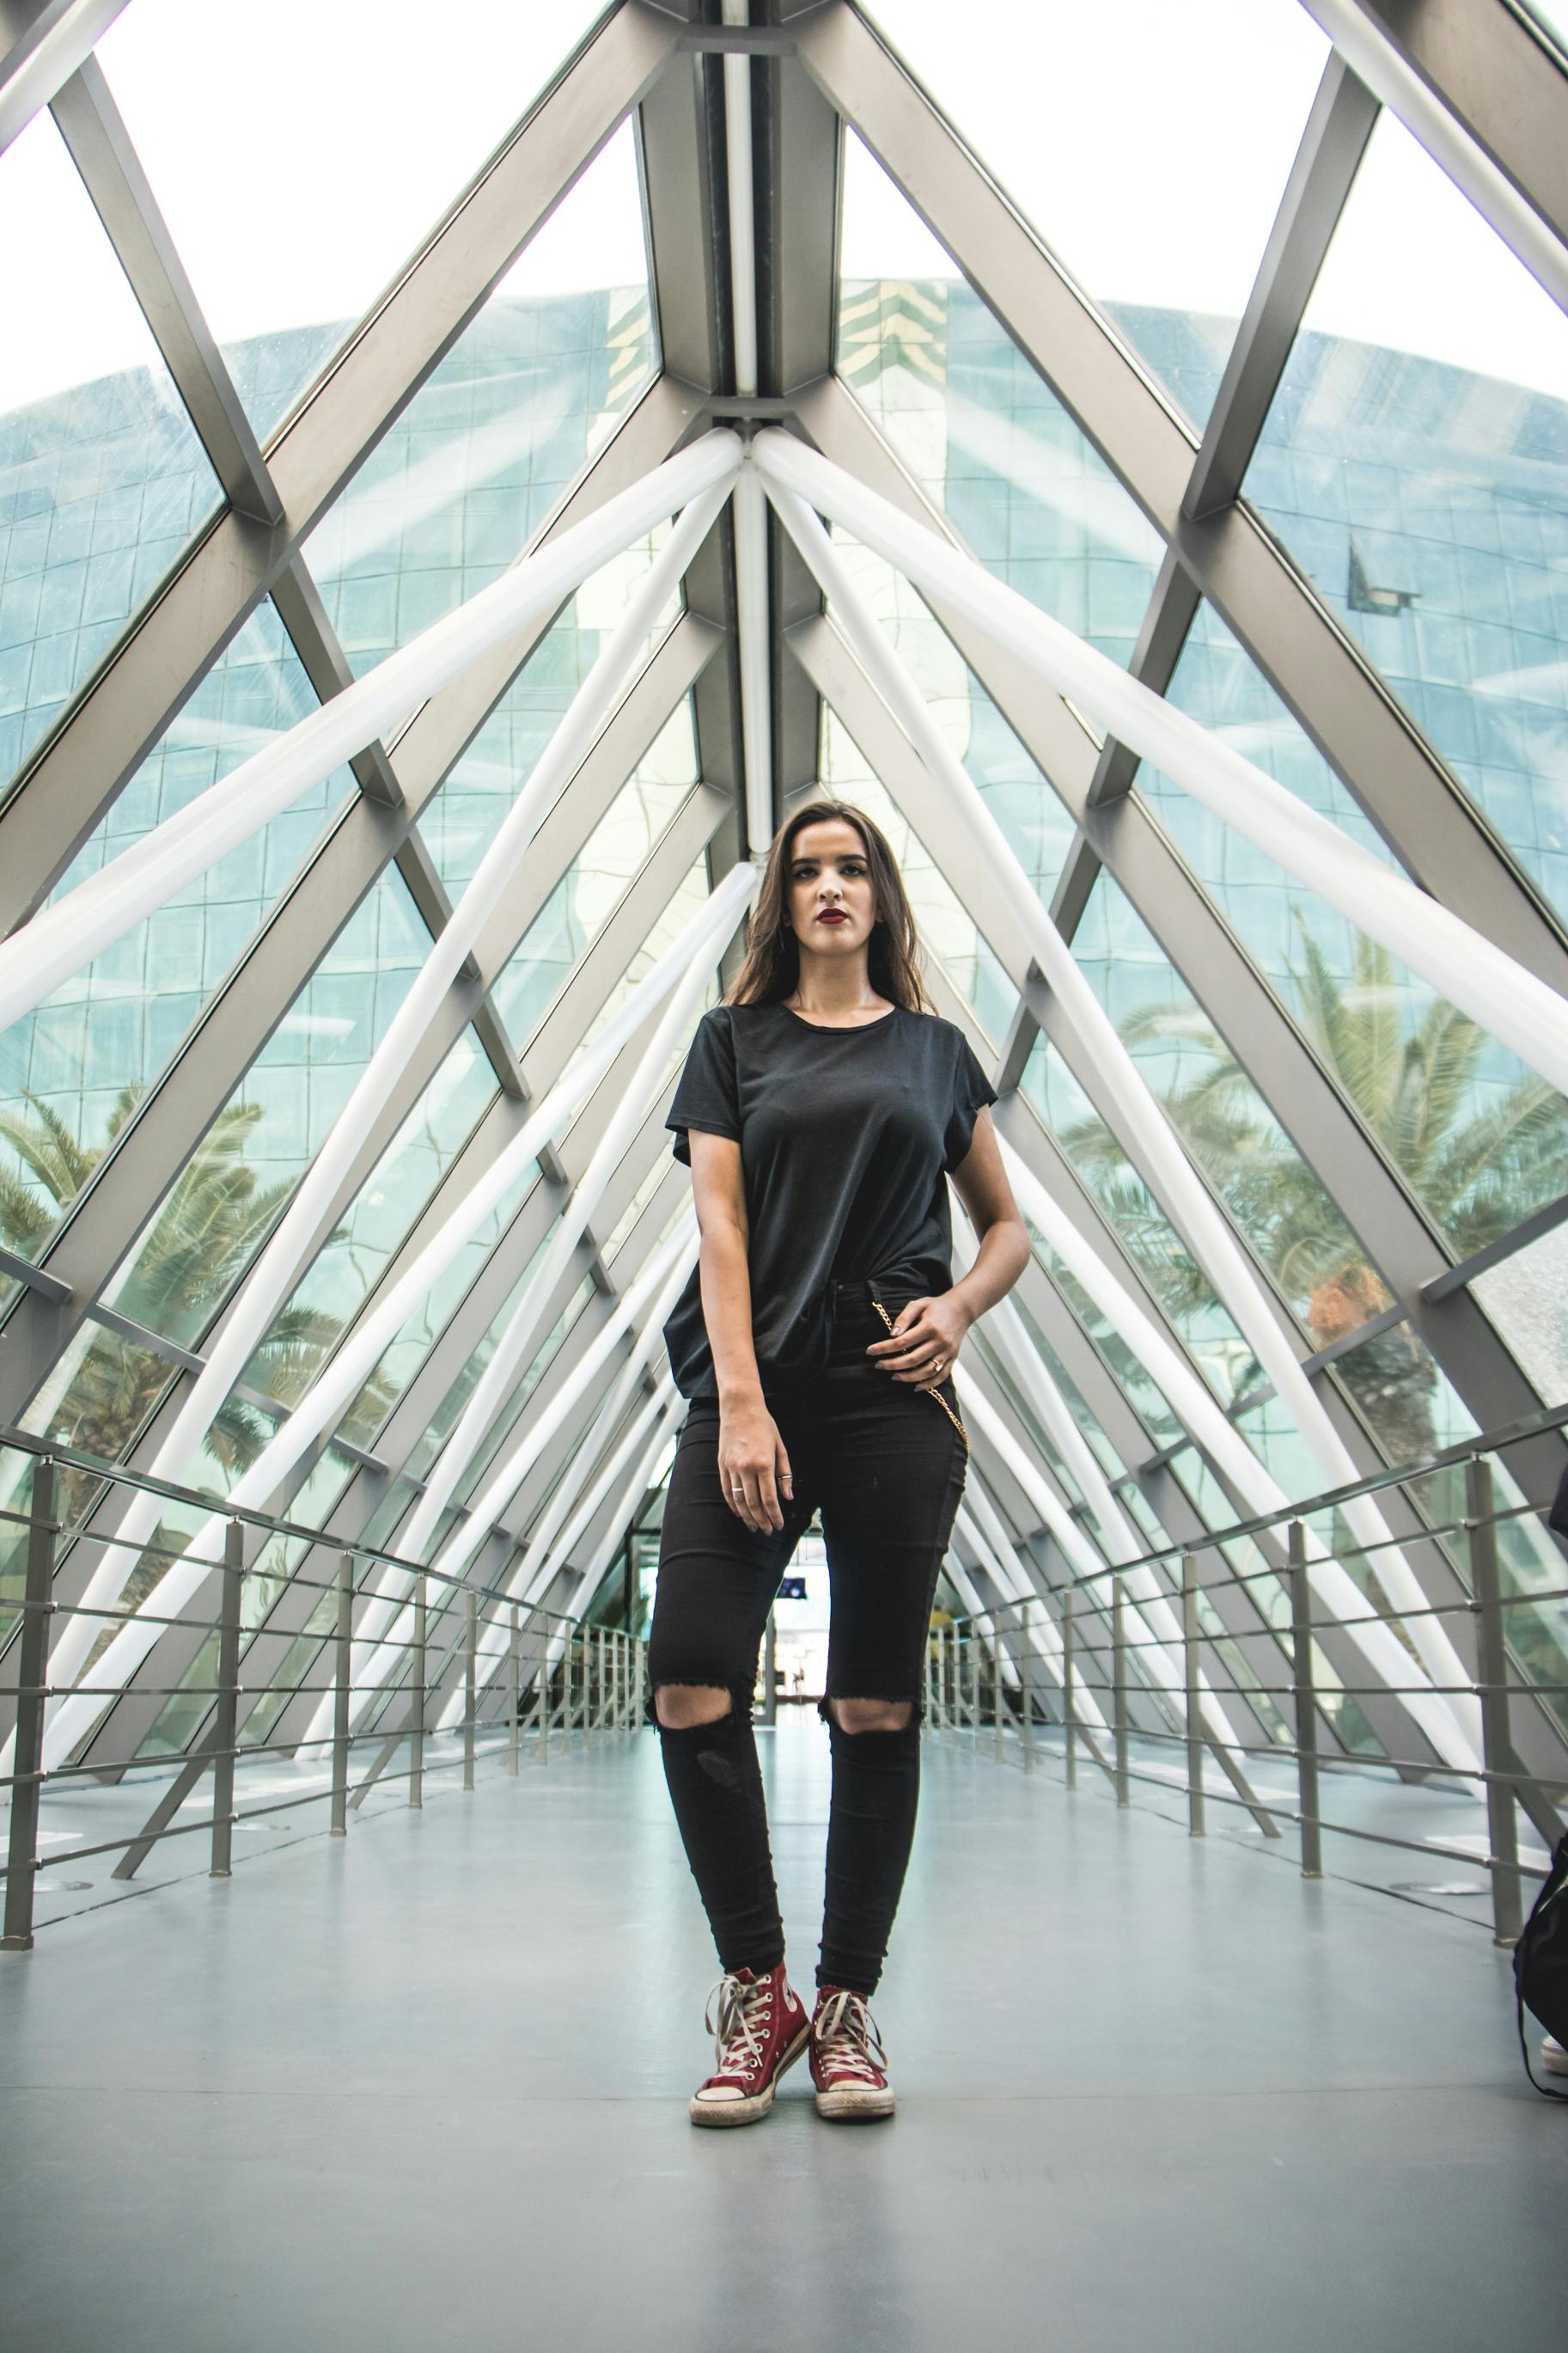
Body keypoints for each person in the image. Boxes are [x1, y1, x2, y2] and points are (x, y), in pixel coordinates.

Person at [648, 800, 1029, 2126]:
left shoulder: (932, 1052)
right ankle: (761, 1989)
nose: (828, 887)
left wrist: (961, 1306)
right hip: (751, 1385)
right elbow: (719, 1225)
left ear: (880, 895)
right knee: (691, 1678)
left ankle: (849, 2002)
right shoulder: (729, 1043)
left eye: (850, 866)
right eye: (805, 870)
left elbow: (1006, 1224)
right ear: (780, 905)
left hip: (889, 1393)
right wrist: (741, 1402)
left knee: (874, 1705)